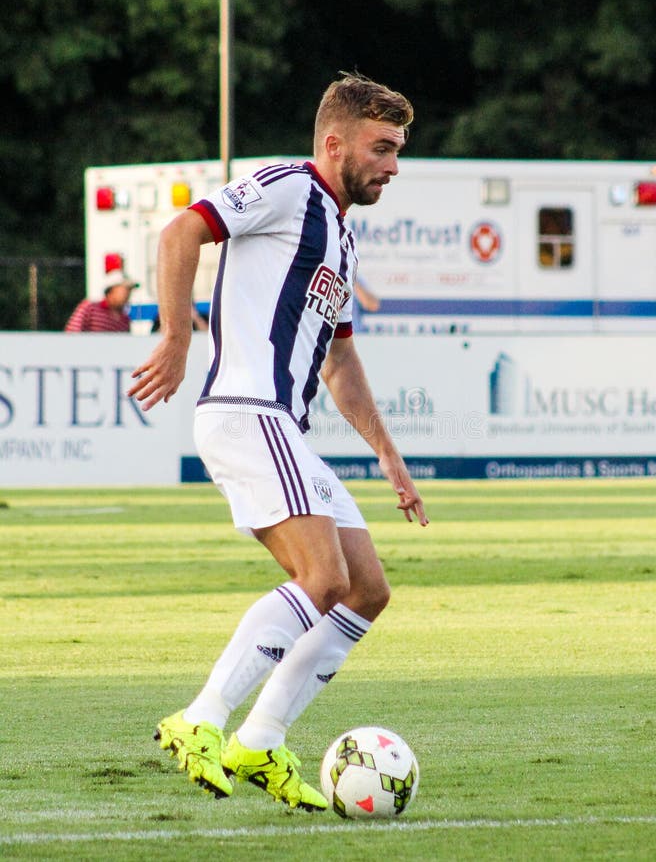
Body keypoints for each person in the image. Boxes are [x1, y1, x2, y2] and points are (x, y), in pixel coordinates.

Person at [128, 72, 428, 811]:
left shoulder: (343, 240)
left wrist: (389, 456)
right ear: (335, 142)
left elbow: (340, 361)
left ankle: (260, 741)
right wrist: (174, 337)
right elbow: (181, 230)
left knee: (365, 590)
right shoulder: (289, 187)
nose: (393, 166)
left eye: (398, 151)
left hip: (282, 427)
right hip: (245, 410)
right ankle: (199, 719)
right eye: (383, 148)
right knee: (321, 579)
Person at [64, 270, 138, 332]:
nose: (128, 295)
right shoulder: (90, 308)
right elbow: (72, 332)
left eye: (129, 291)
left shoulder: (125, 320)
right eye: (125, 291)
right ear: (111, 291)